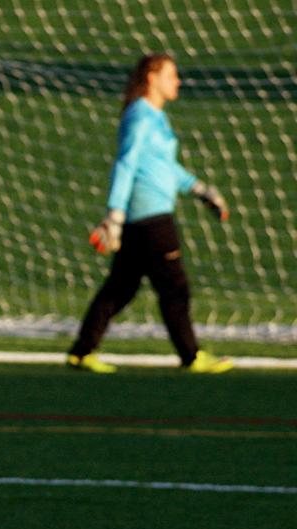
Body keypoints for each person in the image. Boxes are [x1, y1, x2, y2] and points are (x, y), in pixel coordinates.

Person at [69, 53, 233, 375]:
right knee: (174, 287)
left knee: (121, 287)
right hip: (151, 216)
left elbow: (163, 166)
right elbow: (126, 163)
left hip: (145, 217)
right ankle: (191, 356)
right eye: (171, 75)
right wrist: (115, 216)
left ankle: (81, 351)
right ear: (151, 77)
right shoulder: (140, 116)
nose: (178, 82)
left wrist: (200, 189)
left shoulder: (155, 116)